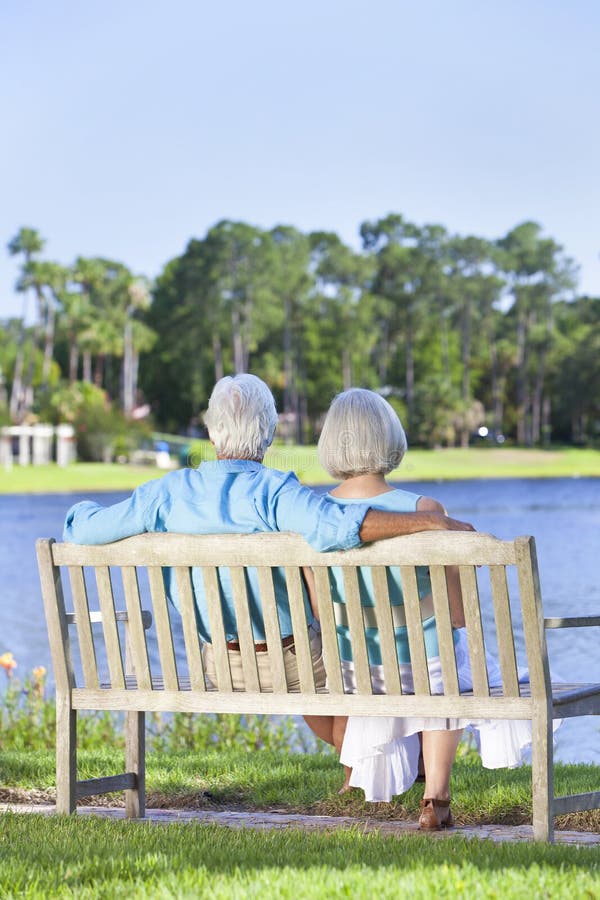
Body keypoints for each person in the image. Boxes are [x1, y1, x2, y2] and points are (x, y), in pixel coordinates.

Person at [63, 375, 474, 715]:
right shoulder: (277, 492)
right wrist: (431, 520)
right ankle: (366, 774)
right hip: (293, 664)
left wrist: (79, 509)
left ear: (211, 430)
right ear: (271, 432)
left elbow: (83, 529)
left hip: (219, 665)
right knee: (346, 667)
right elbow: (337, 527)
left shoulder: (164, 495)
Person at [315, 388, 532, 830]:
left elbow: (323, 614)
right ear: (389, 440)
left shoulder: (314, 513)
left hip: (360, 671)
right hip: (430, 669)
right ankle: (436, 793)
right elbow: (457, 613)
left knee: (438, 663)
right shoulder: (426, 510)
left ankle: (370, 770)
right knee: (449, 662)